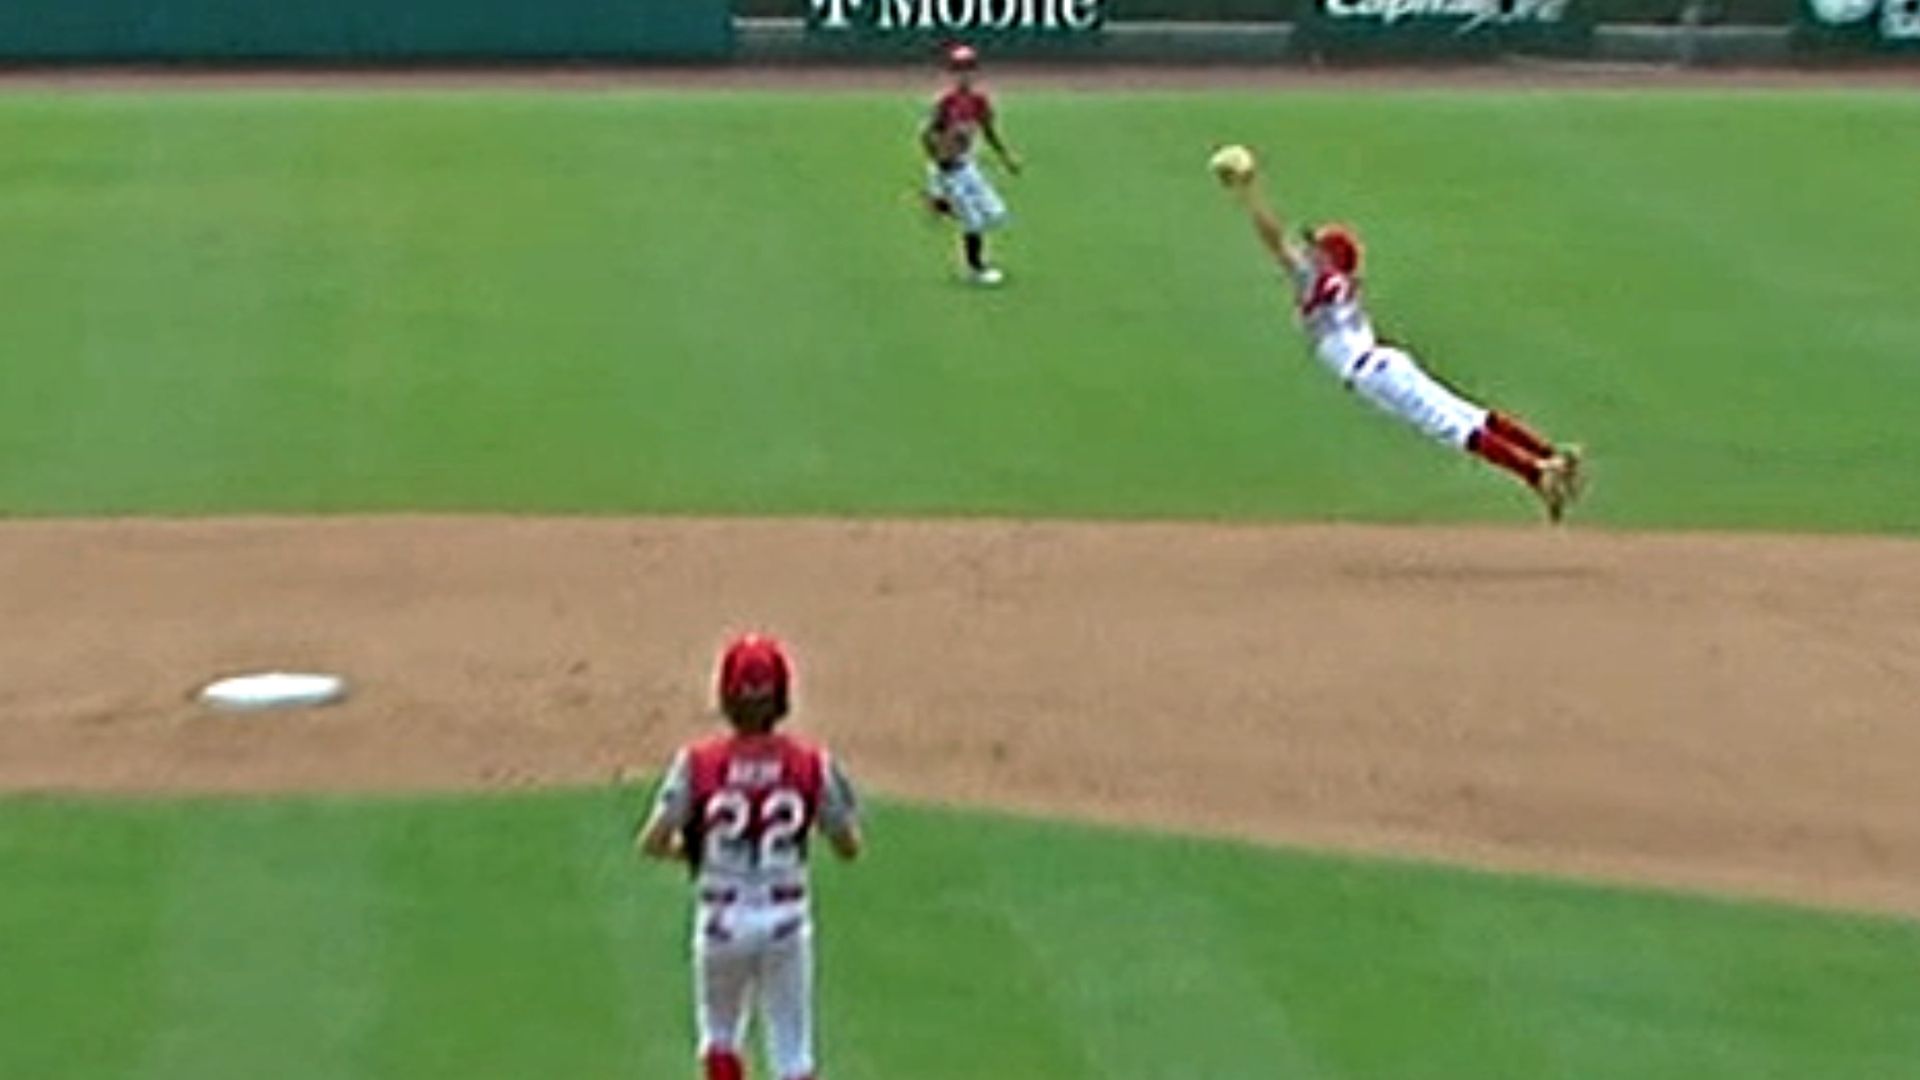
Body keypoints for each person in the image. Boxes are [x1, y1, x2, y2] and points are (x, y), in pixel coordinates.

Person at [1219, 156, 1585, 521]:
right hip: (1385, 362)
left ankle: (1538, 472)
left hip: (1374, 372)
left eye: (1317, 246)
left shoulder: (1314, 278)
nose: (1309, 249)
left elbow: (1274, 240)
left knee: (1453, 426)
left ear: (1327, 257)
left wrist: (1249, 192)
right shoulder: (1339, 281)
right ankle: (1549, 455)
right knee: (1468, 413)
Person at [636, 633, 862, 1080]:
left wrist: (698, 854)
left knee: (720, 1040)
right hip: (786, 920)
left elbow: (652, 841)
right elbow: (848, 846)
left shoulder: (697, 764)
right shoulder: (811, 765)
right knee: (792, 1052)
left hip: (720, 920)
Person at [921, 43, 1021, 286]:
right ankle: (975, 269)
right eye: (958, 69)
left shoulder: (979, 101)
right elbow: (927, 136)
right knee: (973, 222)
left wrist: (1006, 157)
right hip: (949, 170)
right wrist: (938, 180)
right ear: (951, 73)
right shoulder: (946, 103)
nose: (964, 74)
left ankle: (948, 208)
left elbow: (988, 130)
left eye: (968, 68)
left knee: (997, 214)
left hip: (968, 167)